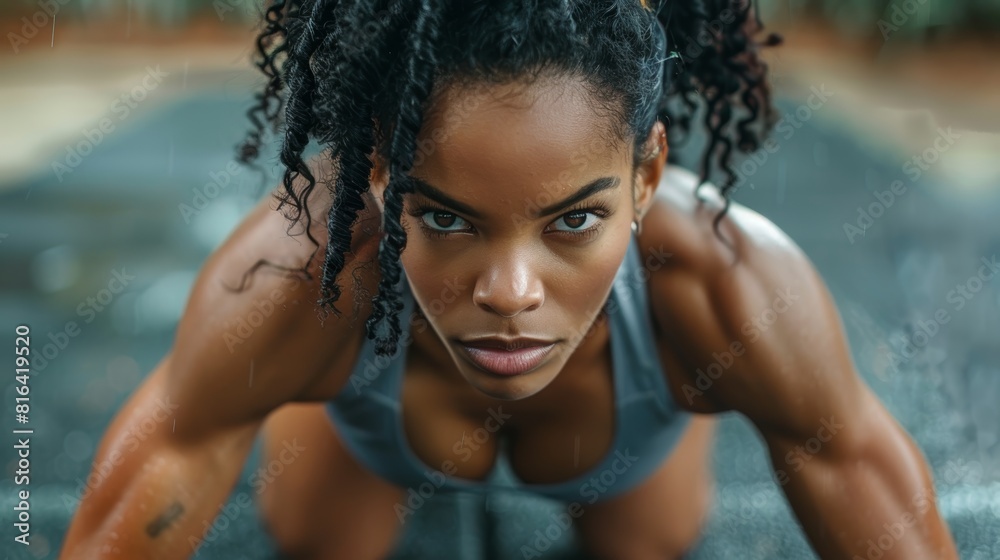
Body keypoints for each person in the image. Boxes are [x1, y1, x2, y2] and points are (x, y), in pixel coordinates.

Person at [61, 1, 960, 559]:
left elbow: (870, 490)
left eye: (574, 219)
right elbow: (164, 463)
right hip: (375, 400)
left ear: (646, 177)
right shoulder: (293, 277)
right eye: (446, 216)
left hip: (624, 420)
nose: (511, 293)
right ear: (377, 169)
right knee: (315, 543)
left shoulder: (729, 286)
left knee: (651, 547)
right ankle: (322, 395)